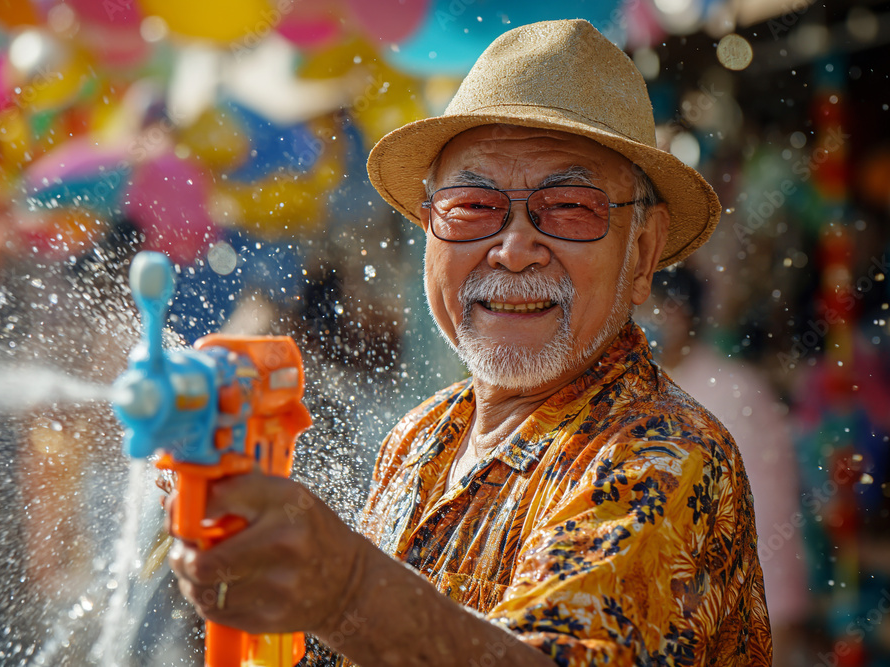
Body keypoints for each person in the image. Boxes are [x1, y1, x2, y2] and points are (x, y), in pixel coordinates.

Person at [167, 19, 772, 665]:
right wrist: (253, 547)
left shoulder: (665, 455)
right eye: (474, 206)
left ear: (643, 251)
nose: (513, 249)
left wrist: (343, 589)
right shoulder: (422, 434)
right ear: (429, 229)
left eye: (570, 206)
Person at [642, 267, 809, 666]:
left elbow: (768, 514)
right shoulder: (639, 388)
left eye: (648, 309)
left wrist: (776, 613)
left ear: (678, 313)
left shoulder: (734, 391)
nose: (640, 322)